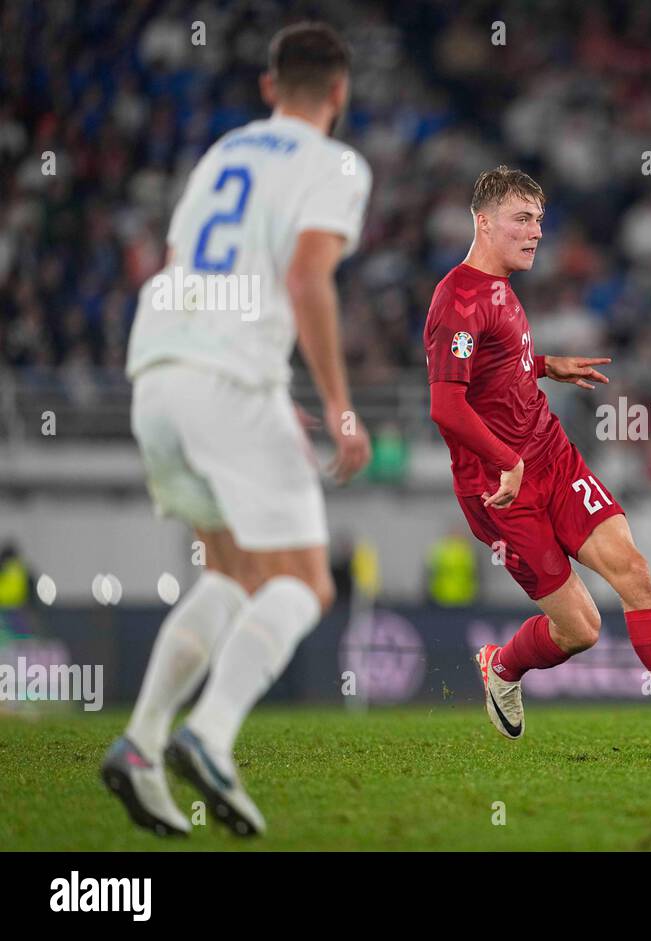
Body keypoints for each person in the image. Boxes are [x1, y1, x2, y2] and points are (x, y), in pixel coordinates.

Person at [103, 22, 372, 836]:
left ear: (267, 87)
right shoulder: (335, 165)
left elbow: (187, 264)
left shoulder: (221, 154)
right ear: (339, 93)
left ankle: (142, 744)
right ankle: (212, 734)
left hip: (156, 372)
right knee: (306, 582)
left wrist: (259, 380)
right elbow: (306, 278)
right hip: (226, 385)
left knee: (231, 570)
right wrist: (337, 405)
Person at [424, 166, 651, 755]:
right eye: (521, 220)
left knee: (635, 571)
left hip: (551, 454)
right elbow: (446, 405)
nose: (535, 233)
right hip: (498, 489)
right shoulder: (456, 301)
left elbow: (494, 369)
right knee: (581, 629)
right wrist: (504, 460)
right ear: (483, 222)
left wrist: (544, 365)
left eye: (539, 221)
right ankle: (502, 667)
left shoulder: (501, 286)